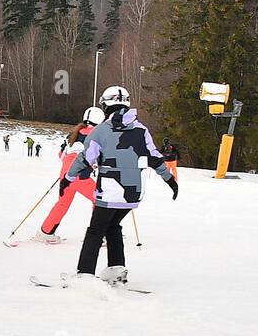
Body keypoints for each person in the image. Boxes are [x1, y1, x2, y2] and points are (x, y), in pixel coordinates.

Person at [65, 86, 177, 286]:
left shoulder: (101, 130)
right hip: (134, 193)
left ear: (106, 106)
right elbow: (154, 157)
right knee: (113, 226)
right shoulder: (142, 130)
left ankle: (85, 274)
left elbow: (85, 158)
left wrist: (68, 178)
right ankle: (117, 269)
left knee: (96, 230)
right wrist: (169, 180)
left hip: (110, 189)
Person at [36, 108, 103, 242]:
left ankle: (46, 232)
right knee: (101, 201)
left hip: (65, 176)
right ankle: (100, 235)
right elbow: (100, 157)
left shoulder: (73, 133)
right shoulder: (97, 135)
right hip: (79, 176)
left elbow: (61, 154)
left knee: (62, 204)